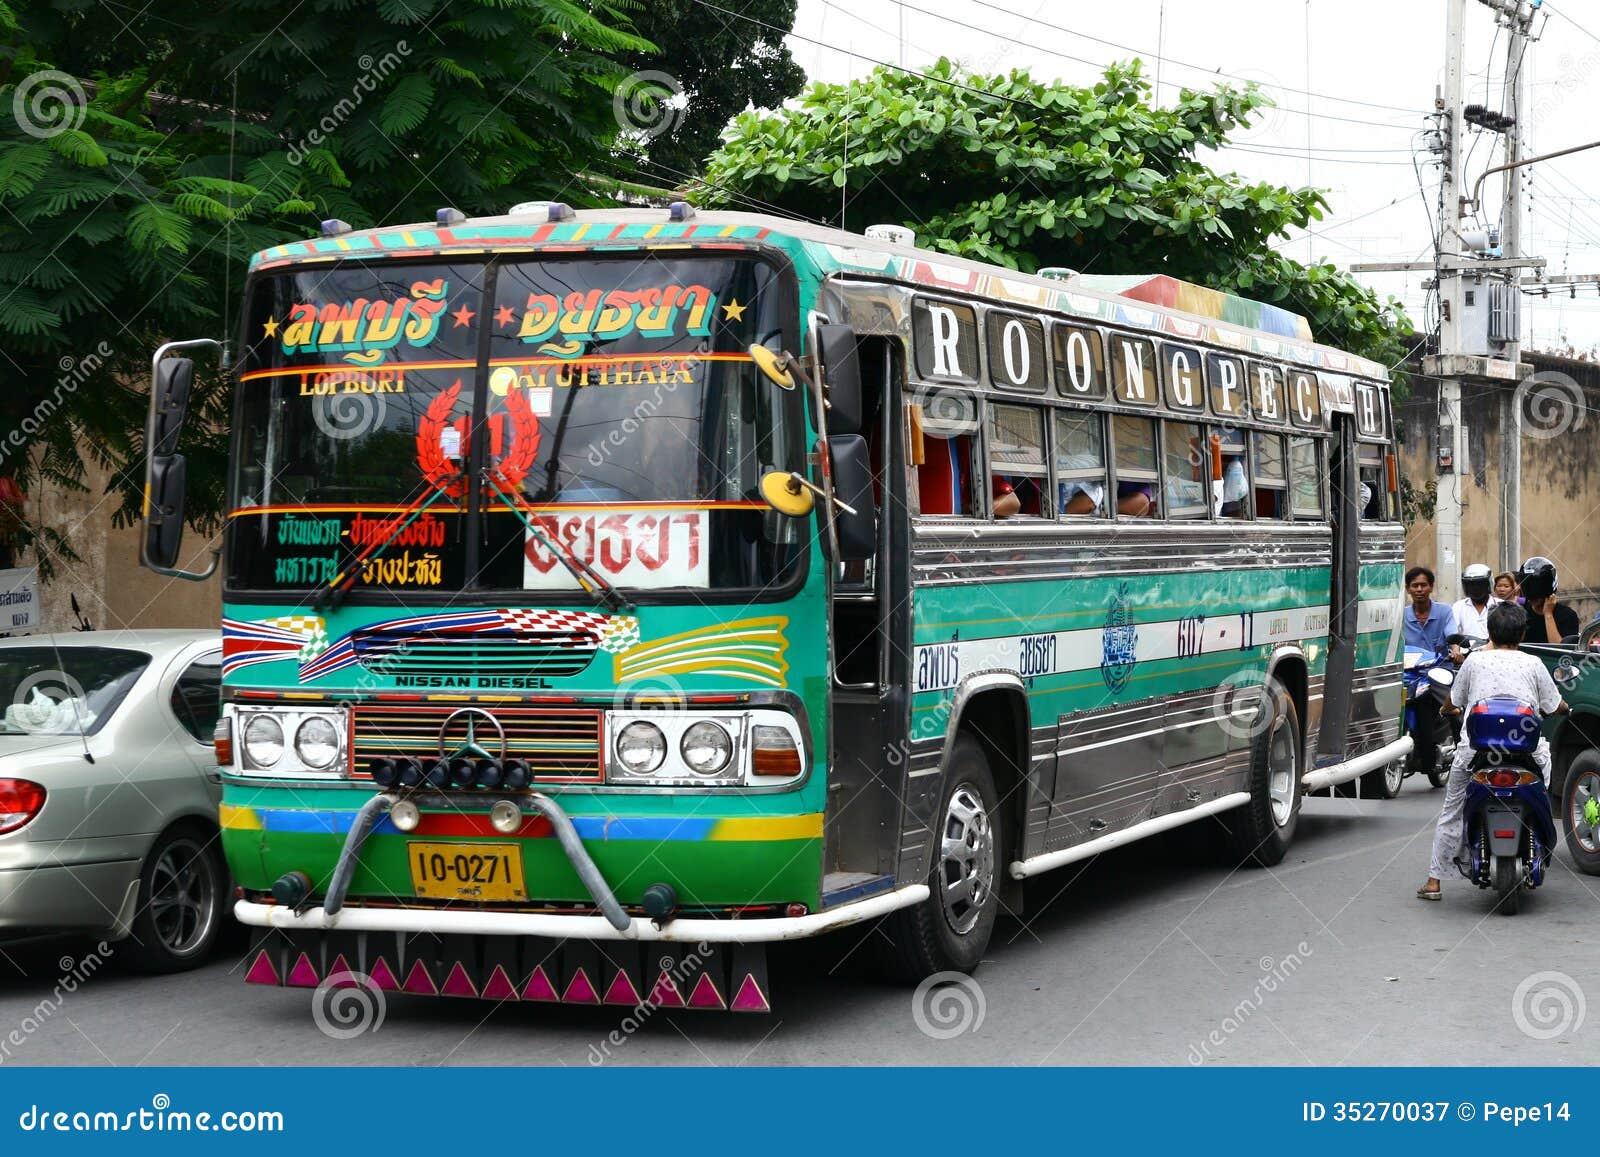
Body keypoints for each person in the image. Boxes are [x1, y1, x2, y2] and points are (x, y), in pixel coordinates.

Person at [1417, 602, 1567, 900]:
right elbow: (1553, 704)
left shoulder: (1474, 661)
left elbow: (1454, 701)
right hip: (1527, 753)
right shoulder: (1533, 663)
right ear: (1522, 633)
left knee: (1452, 811)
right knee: (1544, 781)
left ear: (1489, 632)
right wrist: (1565, 708)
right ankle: (1537, 841)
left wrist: (1447, 709)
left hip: (1475, 753)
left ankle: (1434, 882)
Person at [1403, 566, 1457, 778]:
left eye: (1423, 585)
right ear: (1408, 589)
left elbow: (1452, 635)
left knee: (1450, 709)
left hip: (1438, 672)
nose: (1419, 589)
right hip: (1409, 675)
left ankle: (1461, 751)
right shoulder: (1402, 615)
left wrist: (1455, 650)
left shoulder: (1444, 612)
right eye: (1414, 585)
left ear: (1431, 587)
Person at [1517, 556, 1580, 644]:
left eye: (1537, 588)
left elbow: (1560, 650)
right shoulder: (1520, 613)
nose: (1533, 597)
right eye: (1528, 586)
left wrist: (1548, 614)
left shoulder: (1567, 615)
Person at [1450, 562, 1500, 639]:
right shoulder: (1458, 606)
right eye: (1470, 585)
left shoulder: (1500, 604)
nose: (1475, 589)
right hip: (1467, 646)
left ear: (1489, 584)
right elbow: (1452, 630)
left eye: (1479, 584)